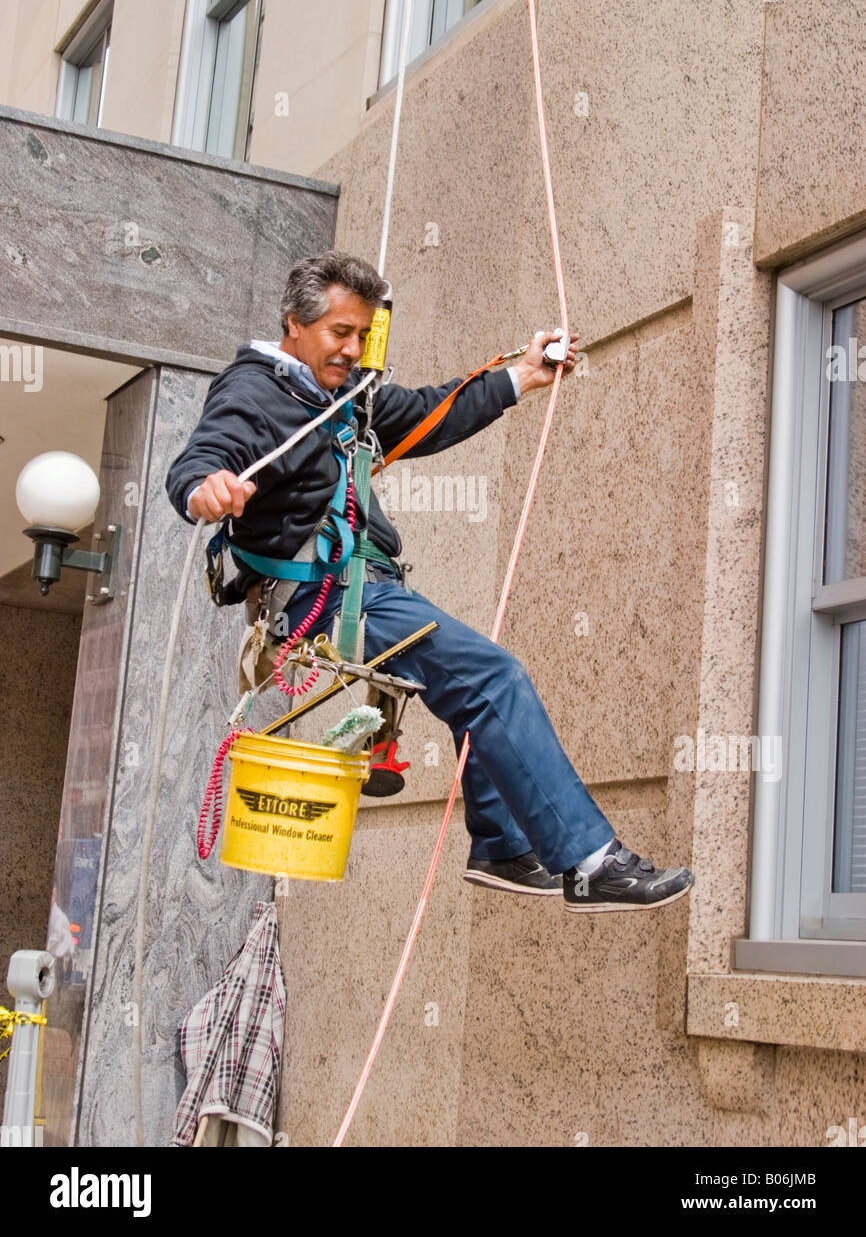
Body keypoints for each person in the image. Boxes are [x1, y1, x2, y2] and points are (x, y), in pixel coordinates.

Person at [165, 251, 694, 911]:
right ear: (293, 325)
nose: (353, 350)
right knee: (491, 676)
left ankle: (502, 845)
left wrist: (522, 375)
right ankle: (588, 861)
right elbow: (200, 460)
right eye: (339, 334)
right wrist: (205, 491)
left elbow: (426, 412)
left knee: (471, 682)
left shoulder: (345, 397)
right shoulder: (254, 393)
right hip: (319, 599)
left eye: (361, 335)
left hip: (361, 592)